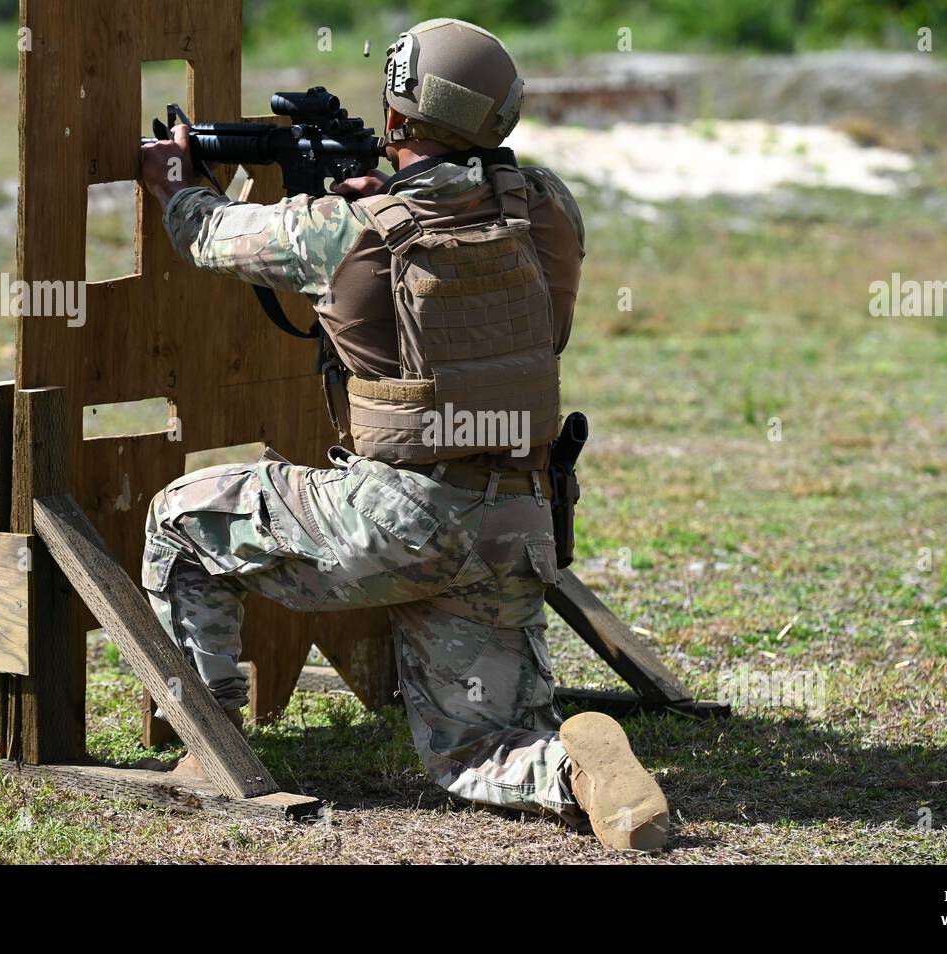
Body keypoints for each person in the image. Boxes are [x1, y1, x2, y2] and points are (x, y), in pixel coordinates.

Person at [138, 17, 669, 852]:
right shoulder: (549, 208)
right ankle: (570, 772)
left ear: (395, 121)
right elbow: (502, 282)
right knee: (477, 751)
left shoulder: (343, 230)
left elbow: (208, 234)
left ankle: (208, 744)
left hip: (395, 522)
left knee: (181, 517)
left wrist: (177, 177)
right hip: (517, 526)